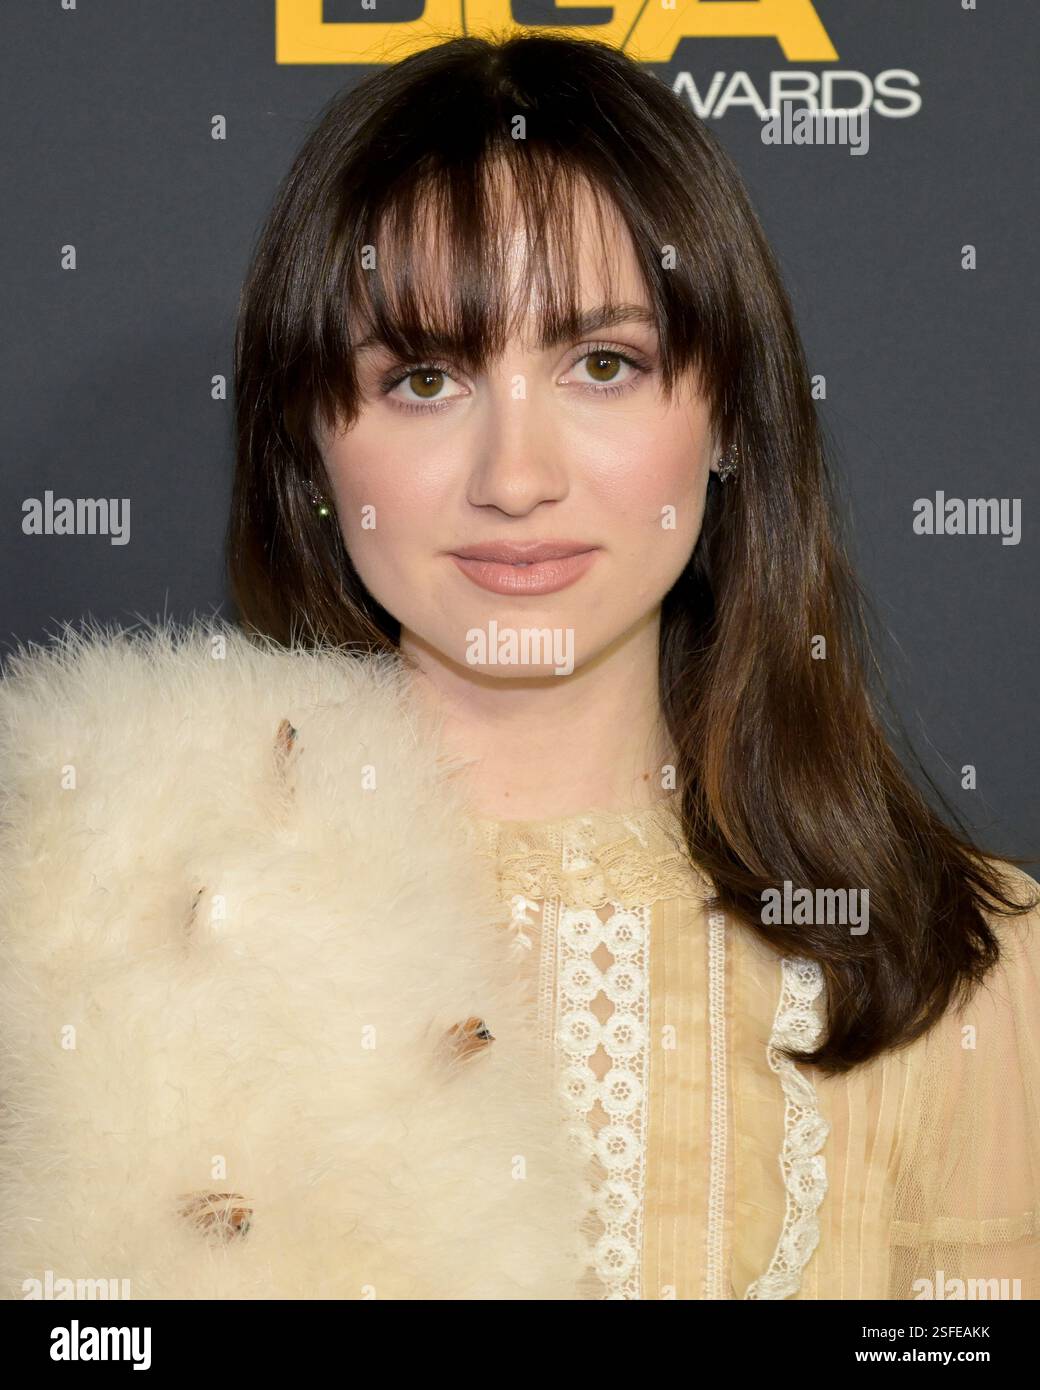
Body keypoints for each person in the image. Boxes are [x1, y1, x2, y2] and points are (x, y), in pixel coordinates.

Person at [1, 32, 1037, 1302]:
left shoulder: (967, 971)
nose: (514, 478)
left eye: (602, 364)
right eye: (425, 377)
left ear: (726, 419)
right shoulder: (84, 904)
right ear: (309, 447)